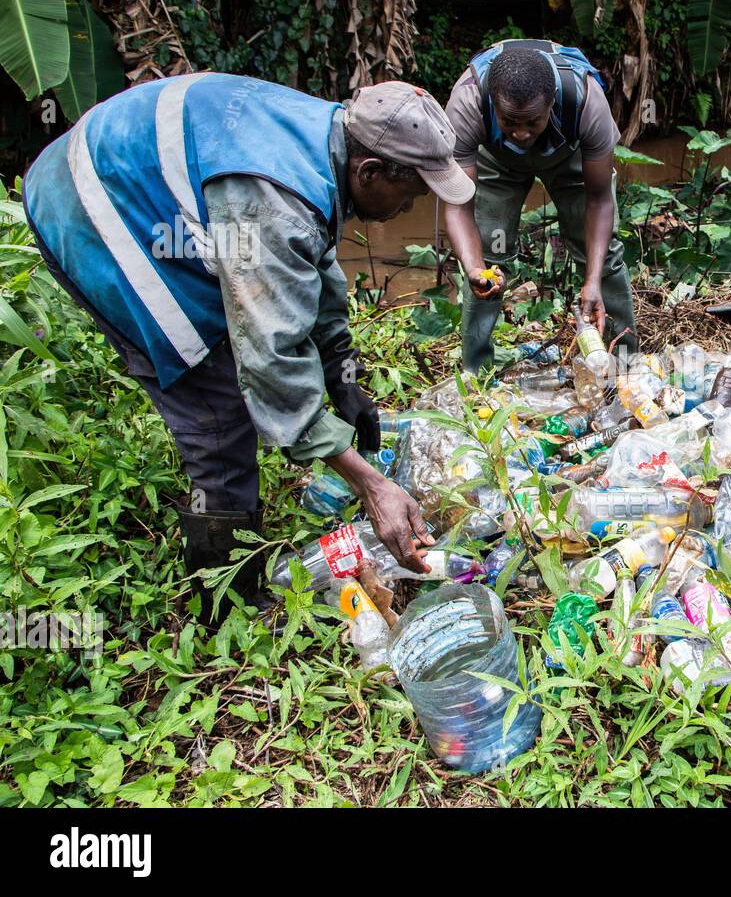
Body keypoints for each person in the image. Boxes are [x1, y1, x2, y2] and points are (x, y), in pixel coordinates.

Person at [22, 73, 475, 620]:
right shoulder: (273, 200)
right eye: (412, 193)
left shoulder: (330, 141)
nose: (409, 208)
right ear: (371, 171)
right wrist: (370, 485)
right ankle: (228, 603)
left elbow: (316, 274)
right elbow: (271, 357)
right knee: (216, 400)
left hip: (144, 180)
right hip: (91, 203)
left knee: (246, 330)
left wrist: (344, 380)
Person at [441, 39, 638, 371]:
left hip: (568, 150)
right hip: (496, 160)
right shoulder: (467, 103)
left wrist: (591, 280)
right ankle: (478, 374)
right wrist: (474, 267)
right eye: (510, 122)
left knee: (602, 260)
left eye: (531, 122)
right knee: (486, 261)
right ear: (492, 103)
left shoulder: (586, 101)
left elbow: (599, 200)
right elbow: (458, 205)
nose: (521, 133)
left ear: (551, 103)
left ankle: (625, 363)